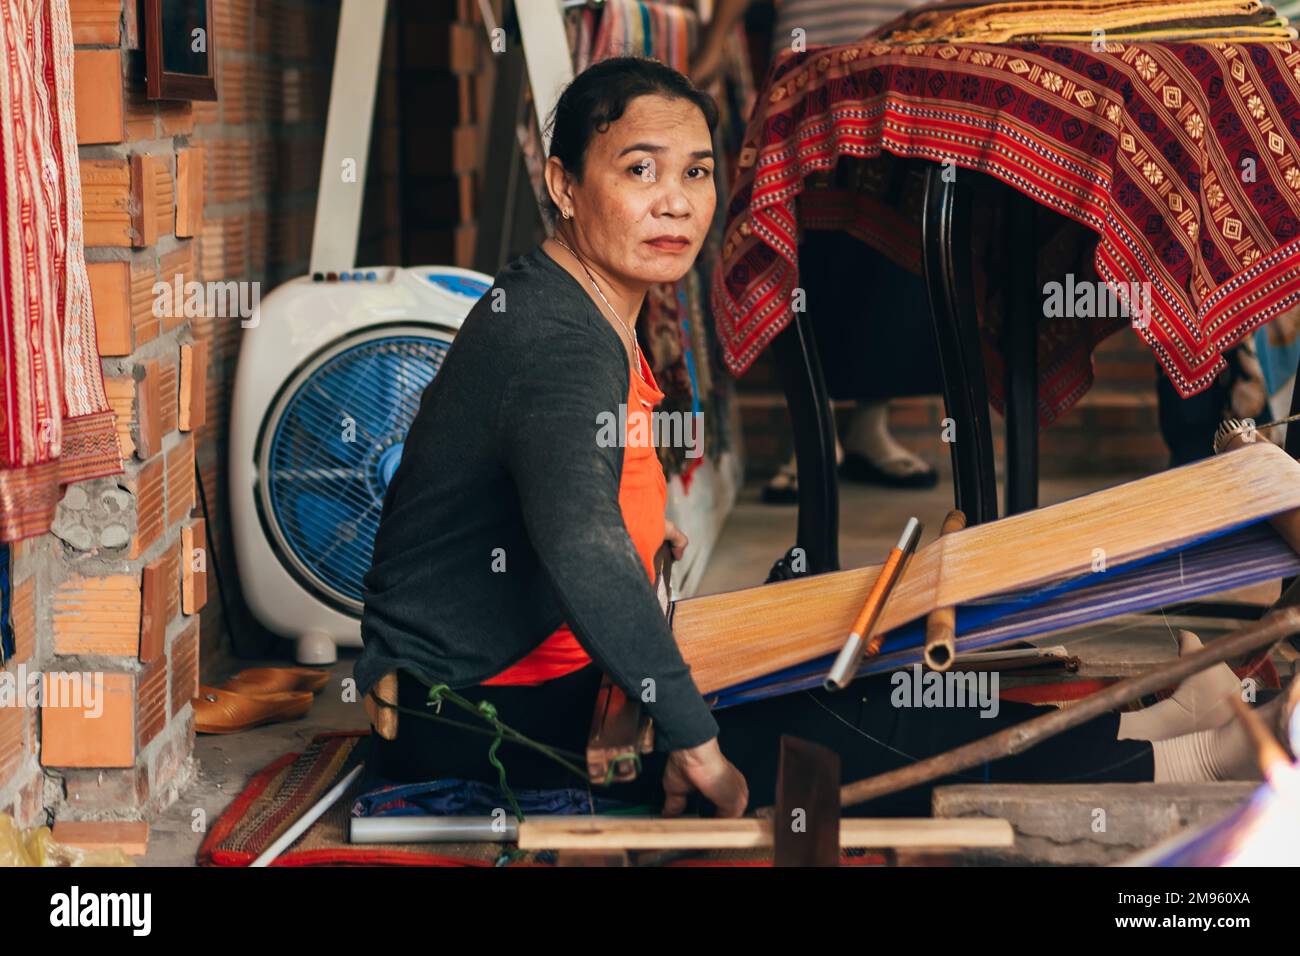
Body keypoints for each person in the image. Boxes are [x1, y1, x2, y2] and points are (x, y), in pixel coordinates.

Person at [353, 56, 1289, 820]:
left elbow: (571, 502)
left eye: (695, 172)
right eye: (637, 170)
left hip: (542, 673)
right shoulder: (554, 341)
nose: (675, 201)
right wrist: (693, 741)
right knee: (818, 741)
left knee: (856, 673)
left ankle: (1156, 725)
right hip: (479, 711)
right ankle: (1189, 754)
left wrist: (650, 552)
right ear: (563, 183)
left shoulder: (574, 303)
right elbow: (580, 547)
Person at [695, 0, 942, 503]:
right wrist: (714, 45)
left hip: (905, 72)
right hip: (808, 76)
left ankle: (869, 430)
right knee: (804, 251)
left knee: (890, 249)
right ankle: (813, 437)